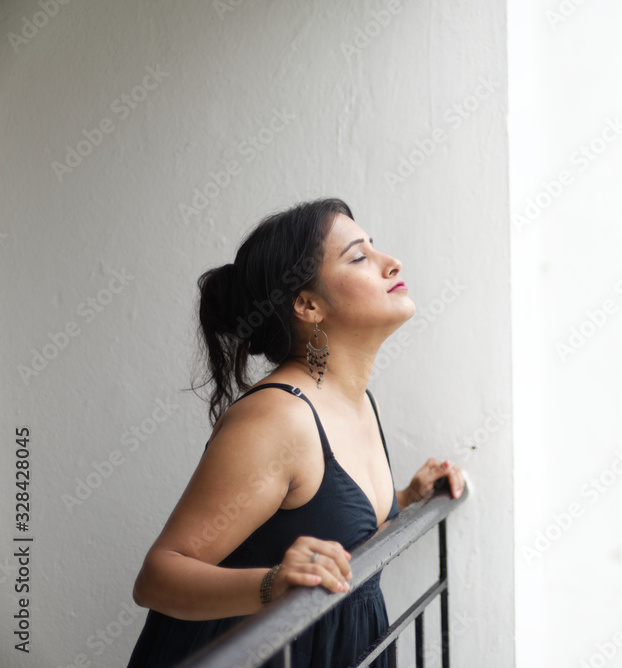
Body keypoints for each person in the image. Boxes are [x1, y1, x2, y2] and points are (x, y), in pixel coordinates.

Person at [127, 197, 465, 667]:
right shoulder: (277, 419)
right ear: (307, 304)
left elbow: (330, 531)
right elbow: (156, 579)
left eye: (375, 246)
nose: (391, 263)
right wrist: (273, 584)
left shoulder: (362, 403)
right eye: (359, 256)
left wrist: (405, 498)